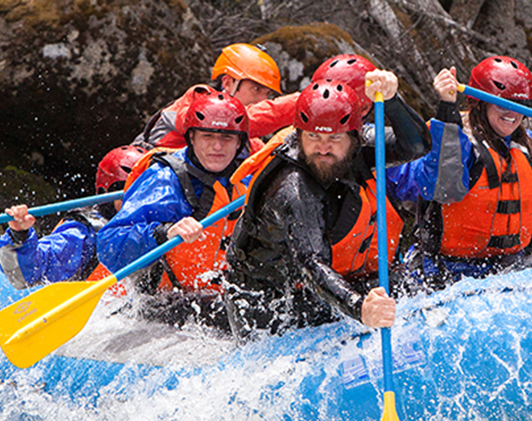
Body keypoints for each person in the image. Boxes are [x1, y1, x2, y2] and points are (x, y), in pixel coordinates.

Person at [225, 72, 431, 336]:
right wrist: (361, 309)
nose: (323, 149)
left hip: (313, 288)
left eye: (334, 138)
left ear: (355, 138)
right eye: (312, 138)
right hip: (266, 300)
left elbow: (416, 146)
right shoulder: (293, 188)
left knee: (403, 284)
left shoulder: (356, 147)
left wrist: (392, 101)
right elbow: (312, 263)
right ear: (298, 136)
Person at [387, 57, 532, 288]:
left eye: (517, 104)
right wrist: (447, 108)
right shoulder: (453, 139)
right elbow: (444, 188)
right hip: (442, 273)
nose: (511, 112)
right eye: (501, 103)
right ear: (480, 103)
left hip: (508, 271)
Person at [96, 88, 254, 323]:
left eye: (226, 138)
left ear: (240, 142)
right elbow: (110, 244)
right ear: (191, 137)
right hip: (165, 305)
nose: (217, 147)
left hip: (222, 298)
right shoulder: (166, 180)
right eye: (208, 137)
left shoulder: (245, 178)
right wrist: (164, 231)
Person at [0, 144, 144, 289]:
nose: (139, 200)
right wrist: (20, 235)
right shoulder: (85, 234)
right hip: (102, 308)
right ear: (106, 192)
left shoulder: (161, 225)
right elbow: (33, 271)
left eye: (146, 191)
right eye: (129, 190)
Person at [132, 43, 297, 150]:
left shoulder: (249, 142)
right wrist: (301, 103)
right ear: (227, 83)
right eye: (256, 89)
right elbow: (229, 121)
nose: (263, 99)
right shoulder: (197, 97)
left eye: (267, 94)